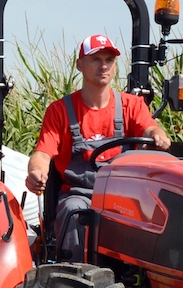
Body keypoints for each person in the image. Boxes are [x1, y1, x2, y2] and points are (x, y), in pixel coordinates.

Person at [24, 33, 170, 259]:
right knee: (74, 212)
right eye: (96, 59)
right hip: (79, 193)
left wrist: (158, 135)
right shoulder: (60, 111)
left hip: (122, 194)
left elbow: (150, 129)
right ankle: (74, 272)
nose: (104, 66)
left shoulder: (132, 105)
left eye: (109, 60)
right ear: (79, 65)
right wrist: (36, 172)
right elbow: (43, 154)